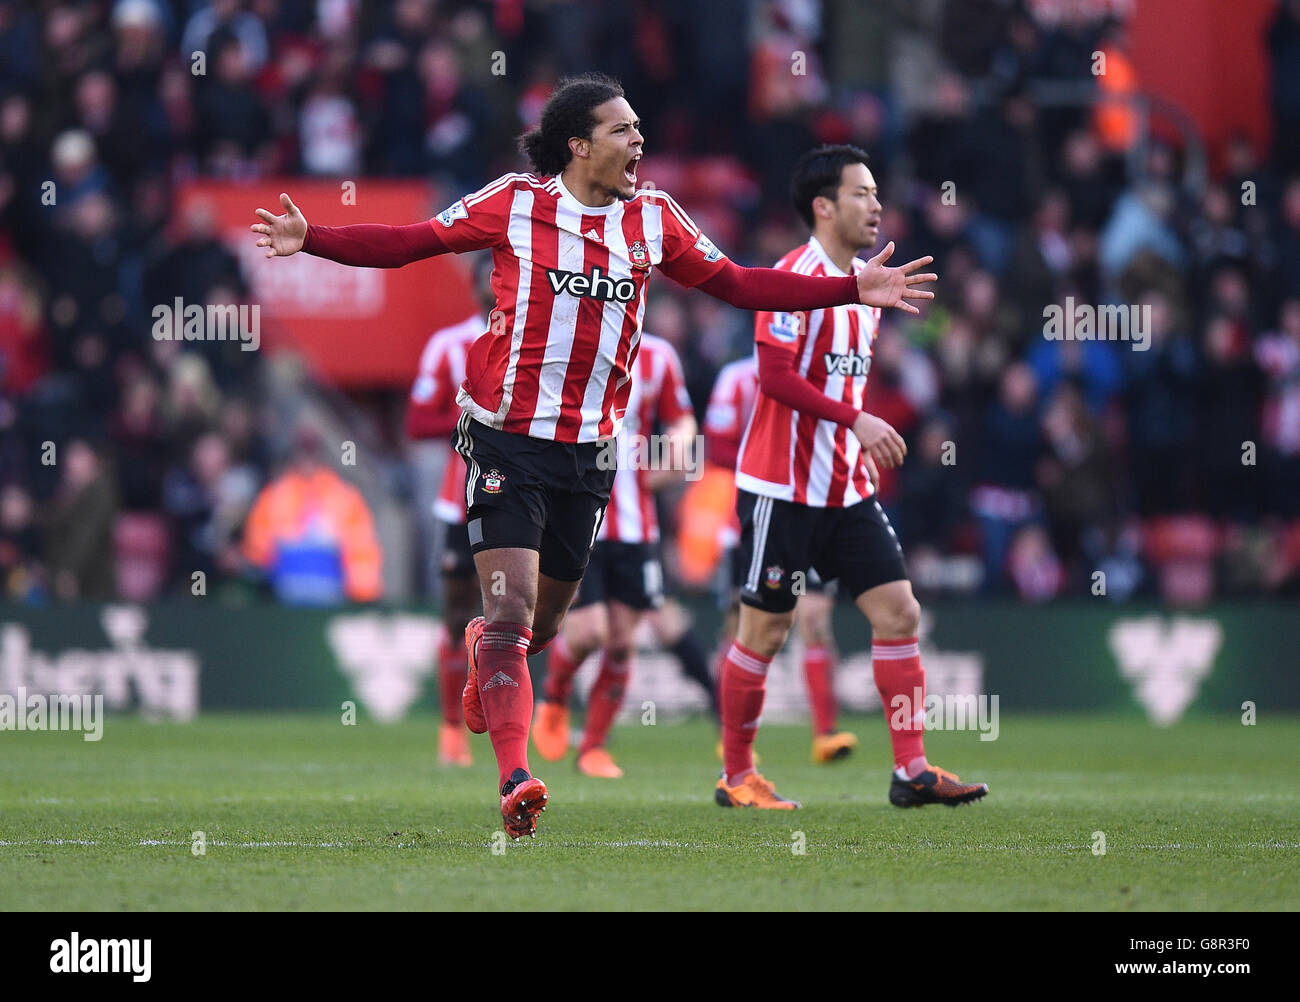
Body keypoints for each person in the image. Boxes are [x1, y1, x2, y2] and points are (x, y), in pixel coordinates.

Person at [251, 75, 936, 839]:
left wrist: (847, 287)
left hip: (589, 455)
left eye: (640, 128)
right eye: (622, 130)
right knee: (510, 612)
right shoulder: (515, 203)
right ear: (578, 145)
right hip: (506, 438)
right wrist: (311, 237)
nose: (639, 140)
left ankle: (488, 648)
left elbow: (741, 285)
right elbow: (412, 242)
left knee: (540, 627)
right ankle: (517, 778)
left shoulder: (655, 221)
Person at [715, 144, 987, 810]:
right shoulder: (790, 277)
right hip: (781, 489)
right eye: (862, 193)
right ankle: (737, 775)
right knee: (764, 633)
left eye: (877, 194)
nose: (877, 206)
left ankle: (911, 770)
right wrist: (856, 421)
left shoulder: (870, 284)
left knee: (900, 613)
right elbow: (775, 379)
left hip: (843, 488)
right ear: (824, 206)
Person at [532, 331, 696, 778]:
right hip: (580, 516)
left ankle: (593, 749)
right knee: (589, 633)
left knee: (623, 643)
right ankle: (556, 694)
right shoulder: (572, 340)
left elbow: (682, 422)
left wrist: (676, 456)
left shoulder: (660, 355)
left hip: (635, 525)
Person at [704, 353, 858, 764]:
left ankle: (826, 732)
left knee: (815, 619)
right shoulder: (735, 378)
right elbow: (717, 447)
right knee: (740, 623)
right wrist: (769, 455)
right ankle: (731, 733)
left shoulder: (824, 372)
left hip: (812, 511)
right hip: (749, 519)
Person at [405, 256, 495, 767]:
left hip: (520, 495)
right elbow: (418, 421)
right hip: (458, 499)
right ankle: (450, 730)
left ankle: (524, 716)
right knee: (458, 613)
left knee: (522, 615)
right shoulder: (449, 345)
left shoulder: (538, 339)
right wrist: (471, 417)